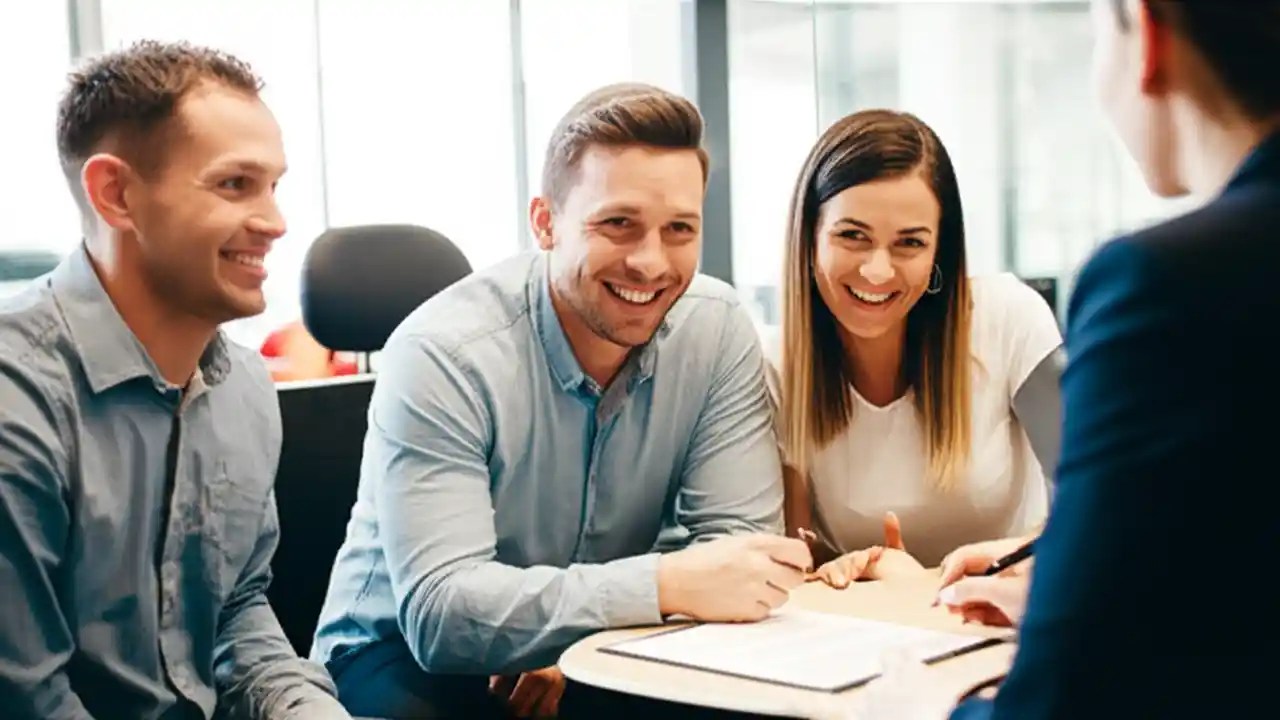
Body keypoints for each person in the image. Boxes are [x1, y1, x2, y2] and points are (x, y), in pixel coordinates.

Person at [311, 83, 811, 719]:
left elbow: (740, 557)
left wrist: (579, 637)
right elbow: (442, 614)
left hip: (613, 639)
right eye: (618, 224)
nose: (651, 263)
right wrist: (653, 589)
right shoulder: (445, 351)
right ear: (545, 222)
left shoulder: (715, 328)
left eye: (679, 229)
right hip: (400, 656)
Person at [864, 1, 1280, 717]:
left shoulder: (1168, 286)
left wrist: (929, 705)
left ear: (1145, 36)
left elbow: (1063, 702)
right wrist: (1070, 597)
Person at [0, 41, 349, 719]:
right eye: (234, 184)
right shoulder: (18, 401)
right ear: (117, 194)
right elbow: (24, 697)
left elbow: (236, 615)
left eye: (274, 185)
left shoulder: (243, 389)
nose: (275, 223)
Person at [765, 109, 1063, 585]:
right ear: (809, 239)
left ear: (938, 252)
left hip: (1000, 615)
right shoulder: (774, 362)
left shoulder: (1009, 317)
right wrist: (862, 570)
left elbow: (1097, 498)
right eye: (852, 236)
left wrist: (1017, 555)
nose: (878, 271)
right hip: (864, 629)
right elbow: (797, 556)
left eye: (910, 243)